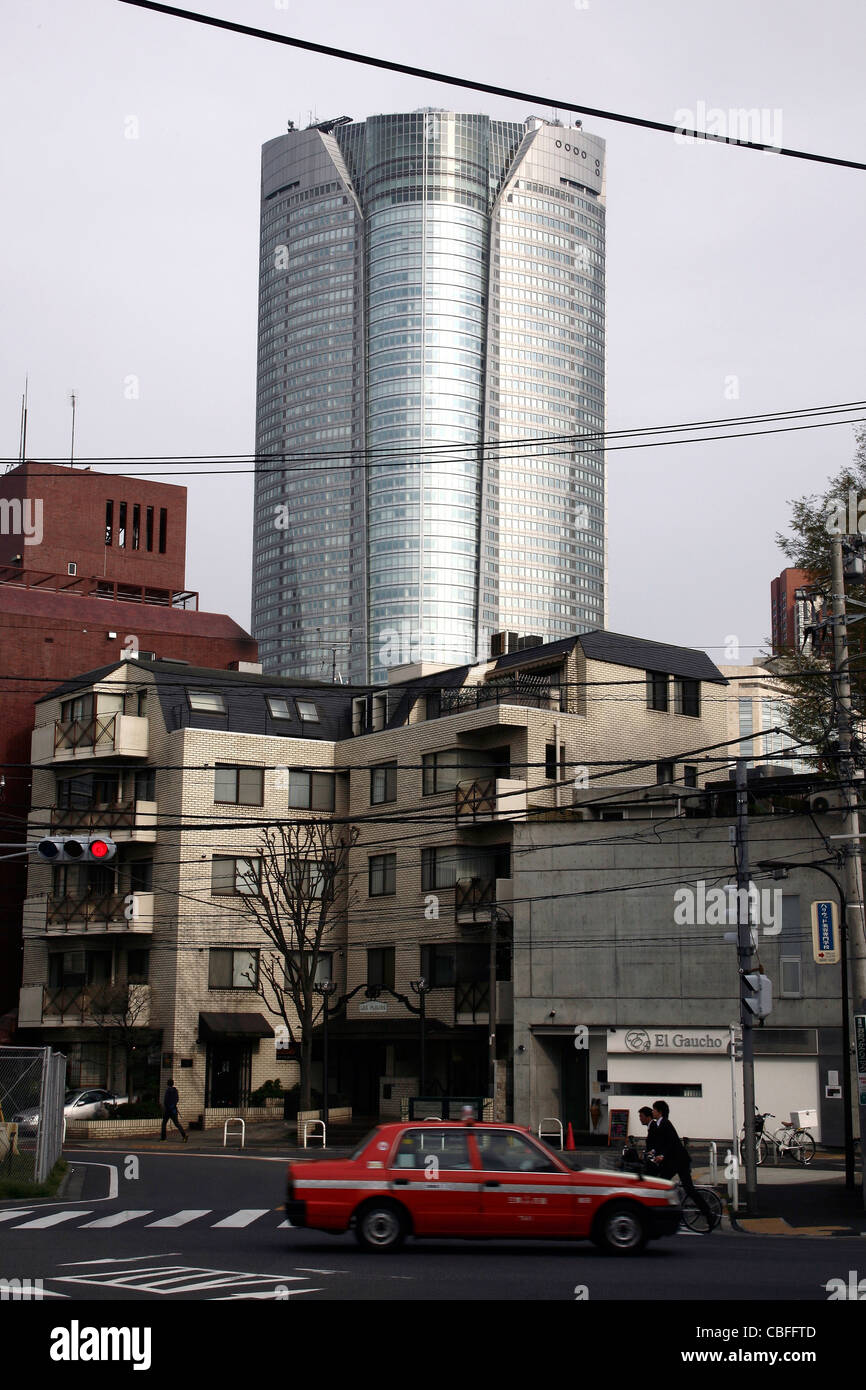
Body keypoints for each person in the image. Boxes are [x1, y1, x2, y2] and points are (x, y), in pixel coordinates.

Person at [649, 1100, 714, 1227]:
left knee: (686, 1188)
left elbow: (671, 1143)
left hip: (679, 1161)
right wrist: (655, 1152)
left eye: (654, 1109)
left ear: (660, 1112)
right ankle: (666, 1211)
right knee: (663, 1183)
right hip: (674, 1161)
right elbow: (661, 1143)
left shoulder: (665, 1124)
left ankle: (707, 1213)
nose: (652, 1112)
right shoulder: (660, 1124)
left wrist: (662, 1155)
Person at [638, 1105, 658, 1174]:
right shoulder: (652, 1126)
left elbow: (657, 1143)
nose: (640, 1118)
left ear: (648, 1117)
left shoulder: (653, 1126)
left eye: (641, 1116)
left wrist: (649, 1152)